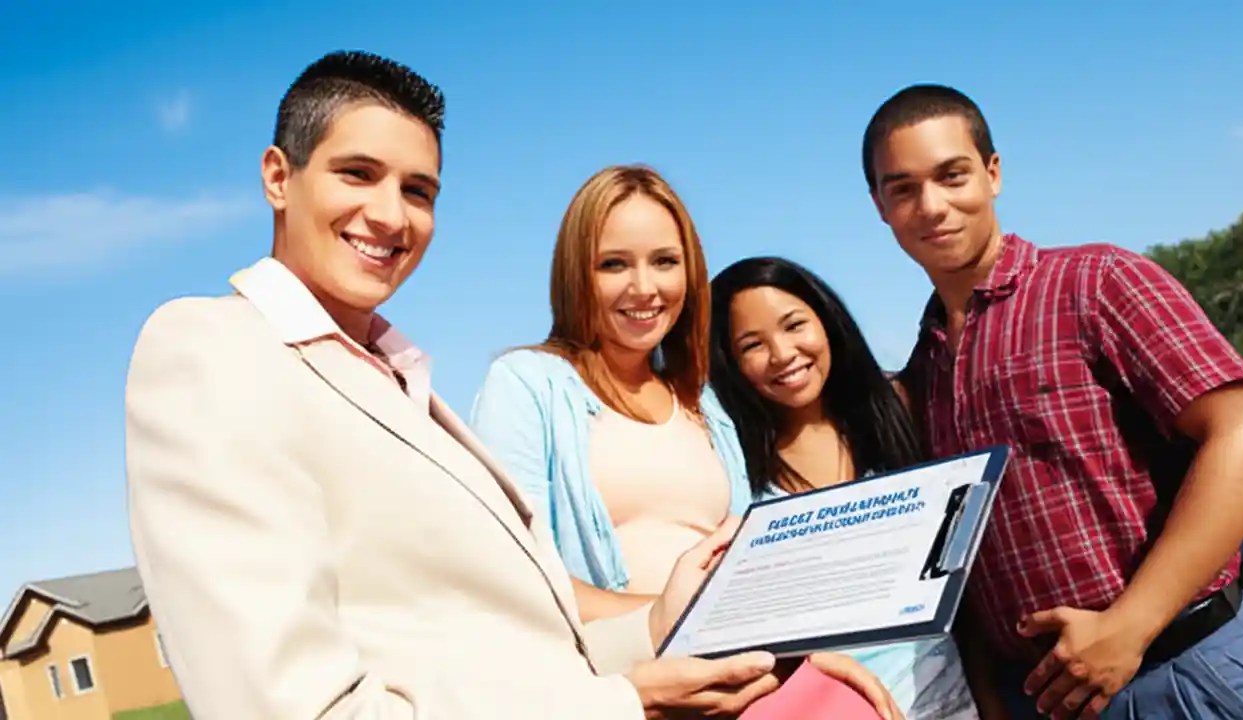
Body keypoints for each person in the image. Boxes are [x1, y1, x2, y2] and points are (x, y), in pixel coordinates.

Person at [124, 49, 805, 720]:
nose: (392, 215)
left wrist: (657, 623)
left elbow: (514, 648)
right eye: (357, 174)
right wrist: (624, 706)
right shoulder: (210, 348)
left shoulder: (406, 385)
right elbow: (289, 706)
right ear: (279, 176)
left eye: (418, 190)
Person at [864, 83, 1243, 718]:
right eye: (903, 189)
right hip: (1042, 699)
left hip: (1183, 668)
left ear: (993, 173)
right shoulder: (922, 374)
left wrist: (1131, 625)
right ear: (880, 207)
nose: (933, 206)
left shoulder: (1096, 281)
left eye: (953, 175)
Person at [469, 164, 903, 718]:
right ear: (577, 272)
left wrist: (813, 656)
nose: (644, 287)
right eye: (613, 264)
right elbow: (512, 572)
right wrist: (672, 619)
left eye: (664, 262)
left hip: (736, 665)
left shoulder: (709, 407)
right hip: (626, 680)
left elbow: (752, 563)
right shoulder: (528, 383)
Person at [706, 255, 978, 720]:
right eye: (752, 344)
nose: (783, 354)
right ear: (729, 363)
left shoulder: (899, 415)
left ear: (827, 321)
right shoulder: (730, 469)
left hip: (953, 702)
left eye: (794, 325)